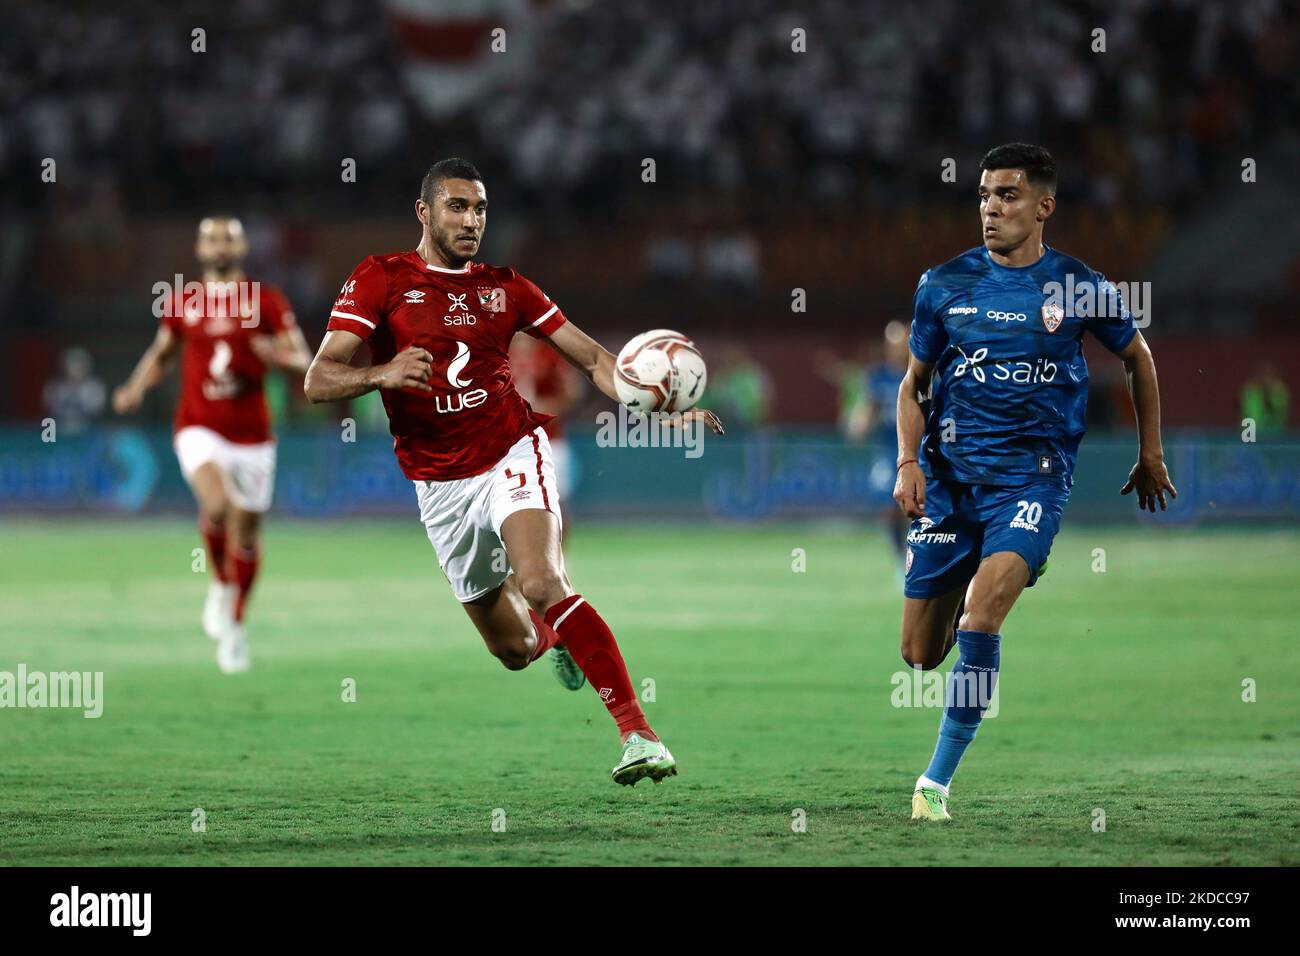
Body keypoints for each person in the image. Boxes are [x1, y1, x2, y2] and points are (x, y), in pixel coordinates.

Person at [303, 158, 724, 785]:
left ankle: (638, 732)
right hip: (438, 487)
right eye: (457, 207)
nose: (472, 221)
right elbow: (318, 379)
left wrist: (654, 404)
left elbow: (591, 358)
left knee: (540, 581)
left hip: (511, 451)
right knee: (515, 650)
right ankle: (557, 641)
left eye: (479, 209)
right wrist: (380, 374)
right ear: (425, 212)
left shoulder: (507, 287)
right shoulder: (380, 279)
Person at [893, 144, 1177, 820]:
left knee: (981, 618)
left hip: (1033, 481)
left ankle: (934, 785)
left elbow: (1137, 357)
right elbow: (912, 385)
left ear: (1044, 206)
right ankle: (985, 566)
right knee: (919, 655)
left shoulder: (1078, 288)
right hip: (952, 484)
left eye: (1010, 195)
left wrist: (1152, 451)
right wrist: (907, 462)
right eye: (986, 195)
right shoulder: (943, 285)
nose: (993, 207)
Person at [113, 216, 313, 673]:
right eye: (211, 239)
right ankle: (220, 585)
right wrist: (135, 386)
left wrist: (277, 355)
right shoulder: (184, 301)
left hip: (253, 435)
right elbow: (161, 353)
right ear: (200, 250)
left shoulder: (266, 301)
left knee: (247, 534)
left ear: (241, 248)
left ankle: (237, 623)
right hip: (198, 426)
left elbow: (304, 358)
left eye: (228, 238)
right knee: (218, 506)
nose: (220, 245)